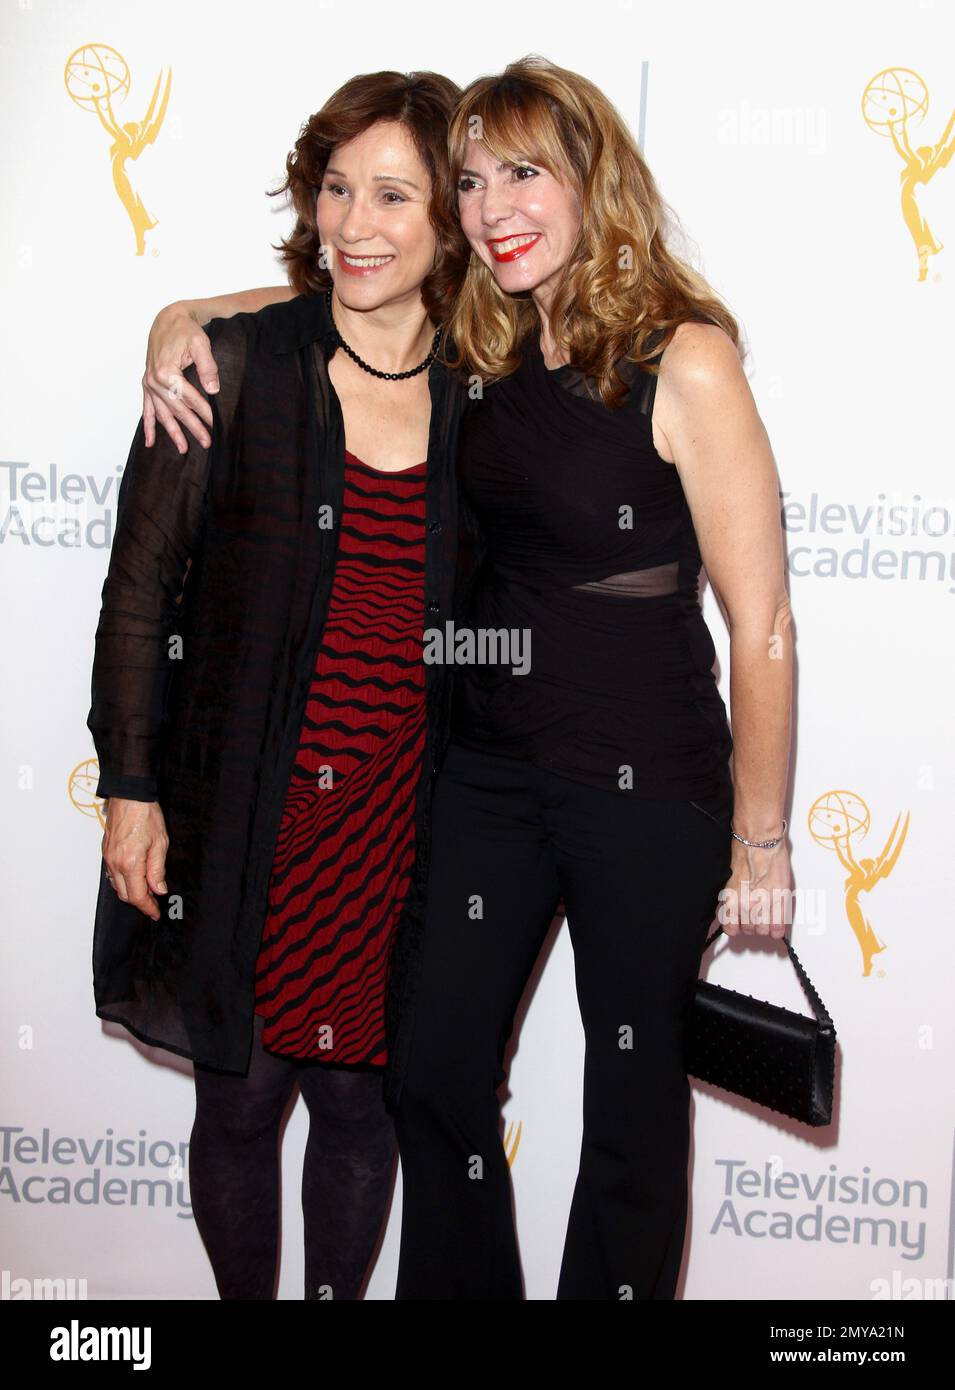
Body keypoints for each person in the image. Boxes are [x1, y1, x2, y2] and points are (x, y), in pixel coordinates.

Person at [142, 55, 794, 1301]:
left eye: (524, 173)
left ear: (591, 180)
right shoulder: (483, 340)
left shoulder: (681, 356)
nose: (494, 204)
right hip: (486, 772)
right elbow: (343, 295)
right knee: (431, 1069)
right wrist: (183, 317)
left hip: (647, 785)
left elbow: (760, 621)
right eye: (474, 178)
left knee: (631, 1099)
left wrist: (760, 846)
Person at [87, 69, 478, 1300]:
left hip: (404, 826)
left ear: (449, 220)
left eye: (393, 195)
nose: (355, 223)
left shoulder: (491, 399)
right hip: (249, 807)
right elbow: (139, 595)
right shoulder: (232, 368)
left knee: (363, 1107)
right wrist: (131, 789)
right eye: (336, 189)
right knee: (243, 1099)